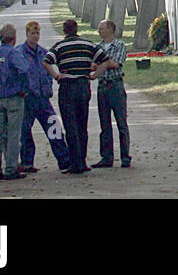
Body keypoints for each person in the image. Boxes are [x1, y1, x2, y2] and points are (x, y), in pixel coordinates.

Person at [43, 18, 107, 175]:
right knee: (82, 124)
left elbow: (46, 61)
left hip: (67, 87)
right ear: (77, 29)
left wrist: (57, 76)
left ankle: (75, 163)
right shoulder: (88, 44)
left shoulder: (59, 46)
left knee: (70, 125)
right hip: (83, 86)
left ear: (65, 31)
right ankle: (83, 161)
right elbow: (104, 60)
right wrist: (94, 75)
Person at [17, 21, 70, 174]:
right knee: (25, 130)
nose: (35, 36)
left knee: (54, 128)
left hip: (43, 98)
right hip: (28, 98)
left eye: (37, 33)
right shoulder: (19, 52)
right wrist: (23, 90)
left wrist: (48, 86)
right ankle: (27, 162)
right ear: (27, 34)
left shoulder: (43, 53)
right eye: (32, 33)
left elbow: (49, 71)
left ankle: (64, 160)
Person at [0, 23, 28, 180]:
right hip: (13, 98)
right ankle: (11, 168)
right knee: (13, 134)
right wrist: (23, 89)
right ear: (14, 39)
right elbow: (24, 70)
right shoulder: (13, 54)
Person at [90, 20, 130, 169]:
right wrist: (104, 64)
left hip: (115, 85)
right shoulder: (97, 47)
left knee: (121, 123)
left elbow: (116, 63)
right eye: (99, 28)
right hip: (102, 87)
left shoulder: (119, 45)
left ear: (111, 29)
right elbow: (93, 64)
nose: (99, 30)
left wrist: (102, 64)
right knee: (104, 124)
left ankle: (125, 156)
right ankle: (106, 157)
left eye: (102, 28)